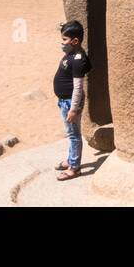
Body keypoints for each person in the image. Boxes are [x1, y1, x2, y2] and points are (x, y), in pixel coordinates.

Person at [53, 20, 92, 181]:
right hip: (65, 101)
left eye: (64, 40)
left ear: (75, 41)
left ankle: (74, 167)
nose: (62, 43)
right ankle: (70, 159)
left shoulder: (77, 59)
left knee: (74, 135)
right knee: (71, 133)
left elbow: (78, 87)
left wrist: (74, 109)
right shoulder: (73, 53)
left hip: (70, 103)